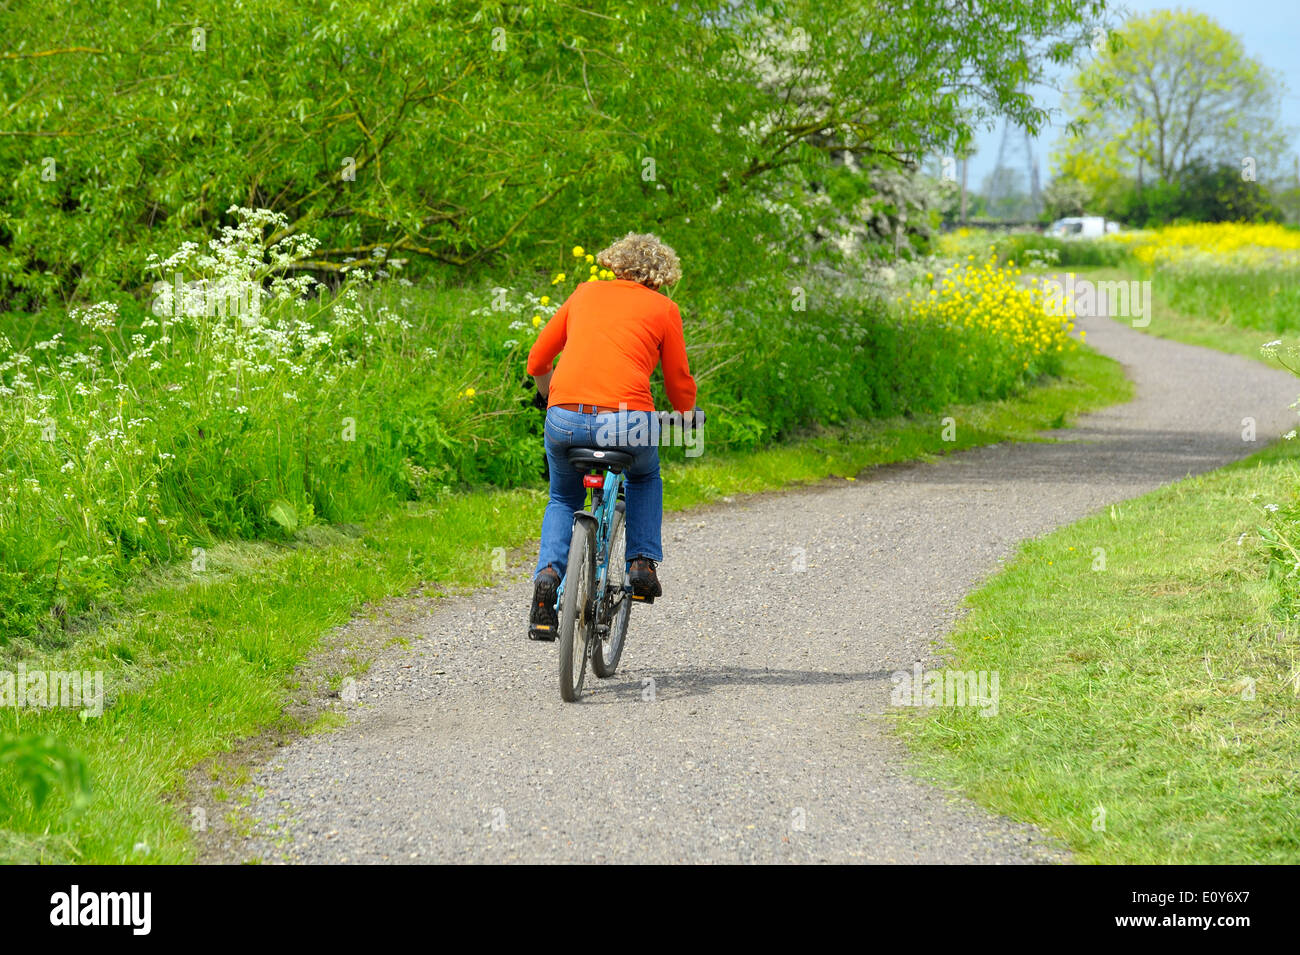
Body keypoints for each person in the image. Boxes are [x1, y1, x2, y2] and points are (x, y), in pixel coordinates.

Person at [525, 232, 697, 639]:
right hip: (627, 424)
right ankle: (640, 562)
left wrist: (550, 397)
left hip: (565, 419)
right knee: (644, 476)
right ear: (660, 276)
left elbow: (537, 360)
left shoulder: (585, 293)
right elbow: (678, 382)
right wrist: (686, 418)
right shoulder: (664, 309)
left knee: (563, 498)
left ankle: (548, 580)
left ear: (615, 264)